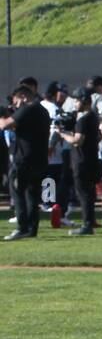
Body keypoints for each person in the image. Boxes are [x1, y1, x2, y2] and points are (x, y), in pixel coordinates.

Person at [1, 84, 50, 241]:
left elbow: (5, 125)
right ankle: (31, 229)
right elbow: (22, 128)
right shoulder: (42, 110)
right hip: (39, 159)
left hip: (24, 160)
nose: (15, 105)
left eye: (16, 102)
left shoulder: (28, 107)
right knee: (32, 195)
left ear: (23, 96)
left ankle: (22, 228)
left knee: (17, 193)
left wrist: (2, 115)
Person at [56, 86, 100, 234]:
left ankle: (87, 225)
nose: (75, 103)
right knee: (89, 192)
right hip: (91, 159)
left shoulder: (84, 120)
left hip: (81, 161)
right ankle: (91, 221)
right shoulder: (93, 116)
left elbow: (77, 141)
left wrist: (62, 134)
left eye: (76, 100)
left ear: (84, 101)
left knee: (83, 194)